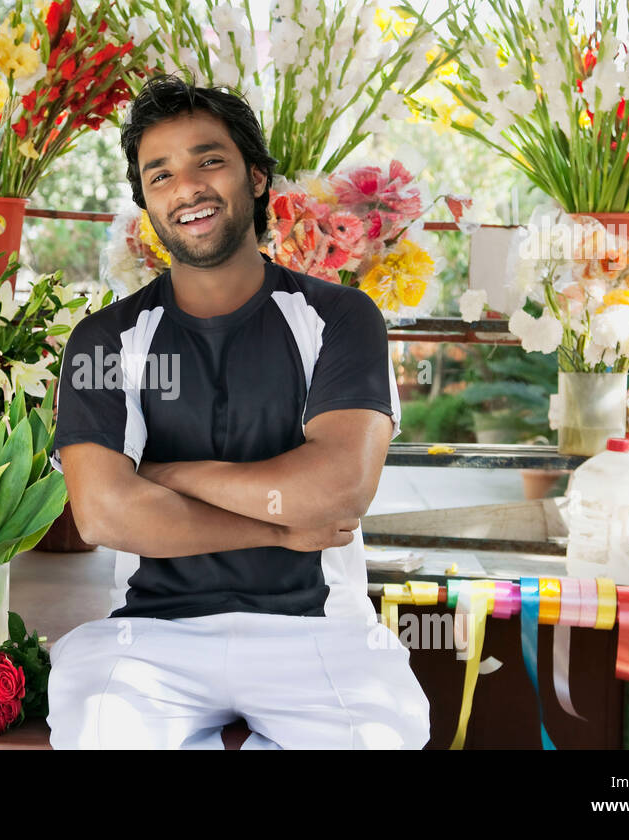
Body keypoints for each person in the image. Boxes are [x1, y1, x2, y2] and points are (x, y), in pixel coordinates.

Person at [45, 76, 430, 749]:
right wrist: (282, 533)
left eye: (209, 161)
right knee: (98, 732)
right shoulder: (105, 340)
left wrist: (164, 475)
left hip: (317, 633)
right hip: (151, 636)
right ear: (146, 203)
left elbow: (337, 490)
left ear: (255, 178)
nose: (186, 187)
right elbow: (104, 513)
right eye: (159, 174)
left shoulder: (340, 318)